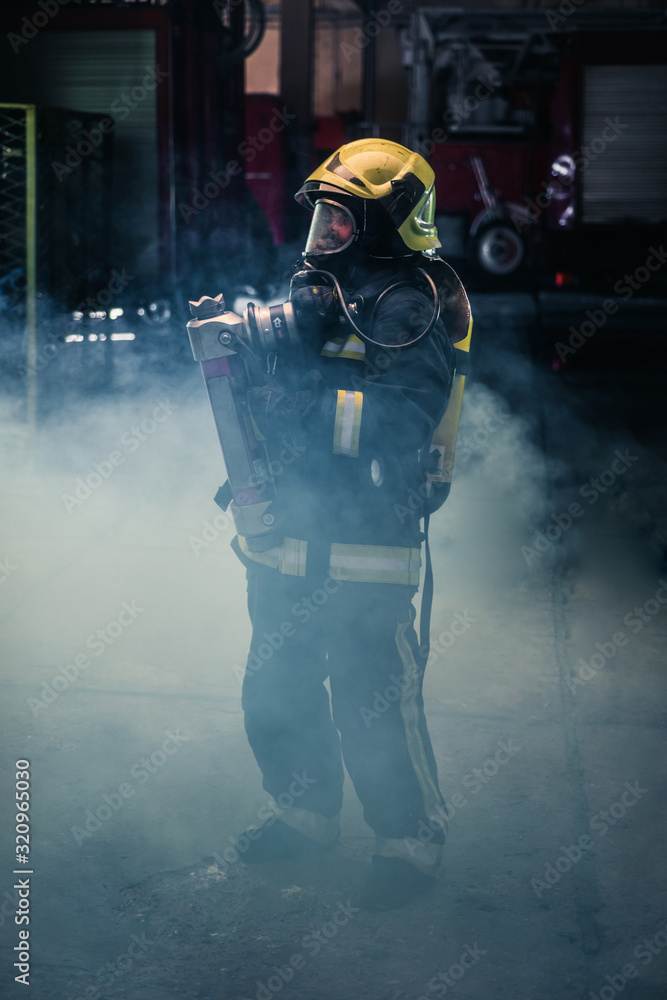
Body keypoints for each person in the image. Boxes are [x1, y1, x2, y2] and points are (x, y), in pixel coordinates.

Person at [230, 138, 458, 910]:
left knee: (373, 701)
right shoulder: (317, 287)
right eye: (322, 217)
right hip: (291, 529)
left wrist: (307, 410)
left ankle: (408, 840)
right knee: (276, 685)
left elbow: (401, 421)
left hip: (368, 539)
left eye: (339, 219)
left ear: (385, 222)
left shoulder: (410, 304)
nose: (322, 233)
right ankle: (303, 813)